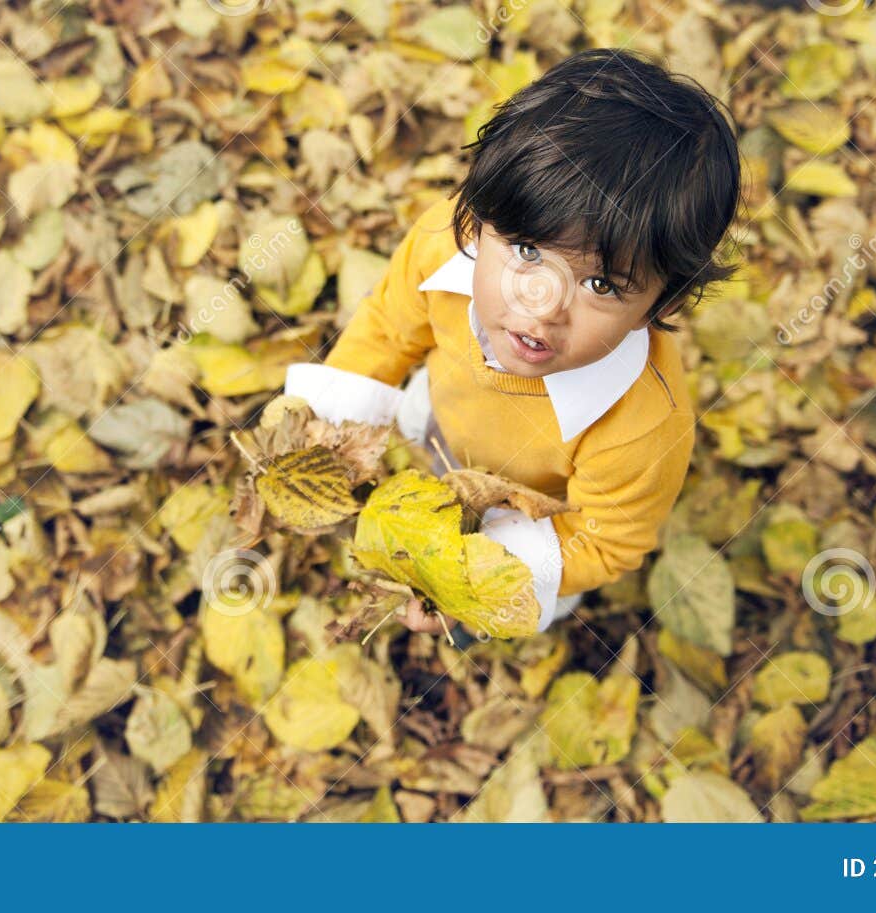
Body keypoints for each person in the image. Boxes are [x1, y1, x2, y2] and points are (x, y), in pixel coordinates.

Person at [283, 48, 740, 634]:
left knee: (514, 603)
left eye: (599, 283)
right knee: (413, 463)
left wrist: (464, 578)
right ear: (478, 216)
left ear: (663, 303)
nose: (539, 304)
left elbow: (606, 541)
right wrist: (332, 432)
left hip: (537, 516)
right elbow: (386, 330)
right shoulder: (438, 248)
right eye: (527, 251)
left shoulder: (643, 424)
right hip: (435, 421)